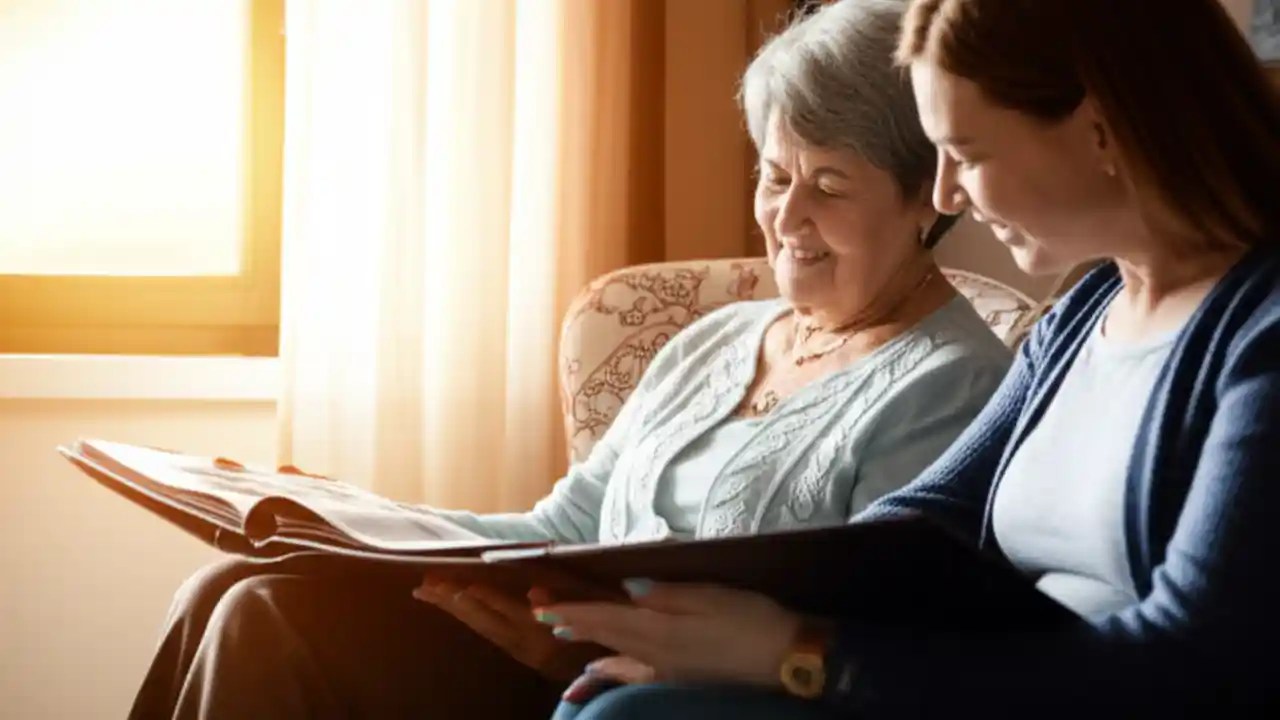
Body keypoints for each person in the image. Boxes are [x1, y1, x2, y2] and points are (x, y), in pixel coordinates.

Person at [125, 0, 1014, 717]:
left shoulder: (952, 382)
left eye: (828, 185)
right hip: (553, 657)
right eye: (775, 176)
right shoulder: (717, 340)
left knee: (264, 622)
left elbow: (857, 649)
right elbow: (569, 519)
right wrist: (362, 528)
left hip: (653, 698)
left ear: (925, 200)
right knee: (242, 587)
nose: (785, 217)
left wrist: (576, 649)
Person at [544, 0, 1280, 717]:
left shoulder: (1260, 333)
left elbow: (1194, 668)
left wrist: (796, 652)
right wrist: (677, 634)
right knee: (626, 699)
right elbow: (910, 530)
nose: (946, 193)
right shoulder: (1082, 315)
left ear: (1099, 128)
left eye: (966, 154)